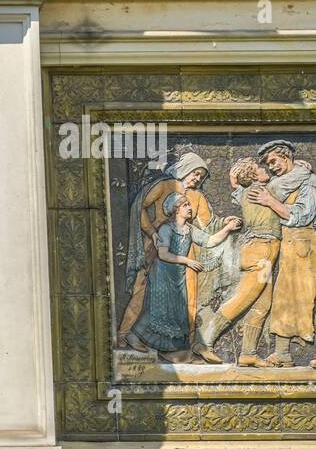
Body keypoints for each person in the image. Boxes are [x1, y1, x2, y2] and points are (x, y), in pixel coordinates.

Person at [128, 192, 240, 362]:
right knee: (157, 310)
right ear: (176, 209)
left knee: (174, 312)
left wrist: (227, 228)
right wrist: (188, 261)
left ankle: (167, 350)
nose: (190, 208)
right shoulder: (167, 228)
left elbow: (209, 241)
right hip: (162, 273)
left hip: (177, 275)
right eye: (185, 205)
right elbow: (164, 254)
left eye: (189, 204)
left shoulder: (190, 229)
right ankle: (133, 337)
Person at [118, 153, 216, 346]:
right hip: (157, 245)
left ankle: (183, 342)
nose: (197, 178)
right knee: (143, 291)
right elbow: (140, 206)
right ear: (186, 168)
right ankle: (124, 333)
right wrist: (152, 232)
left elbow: (208, 224)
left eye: (201, 177)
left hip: (183, 250)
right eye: (195, 173)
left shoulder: (197, 196)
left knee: (186, 296)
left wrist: (226, 224)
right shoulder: (165, 185)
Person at [196, 158, 282, 366]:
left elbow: (236, 186)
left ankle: (248, 354)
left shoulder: (245, 191)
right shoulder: (261, 190)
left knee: (262, 305)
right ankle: (205, 341)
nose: (267, 169)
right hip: (261, 252)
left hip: (262, 253)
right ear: (253, 176)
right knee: (241, 300)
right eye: (261, 168)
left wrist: (234, 178)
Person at [245, 139, 316, 367]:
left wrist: (270, 201)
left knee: (310, 297)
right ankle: (283, 353)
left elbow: (301, 216)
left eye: (274, 161)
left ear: (286, 156)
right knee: (284, 298)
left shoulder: (310, 182)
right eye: (267, 163)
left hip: (307, 245)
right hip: (289, 247)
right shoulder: (283, 181)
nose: (272, 167)